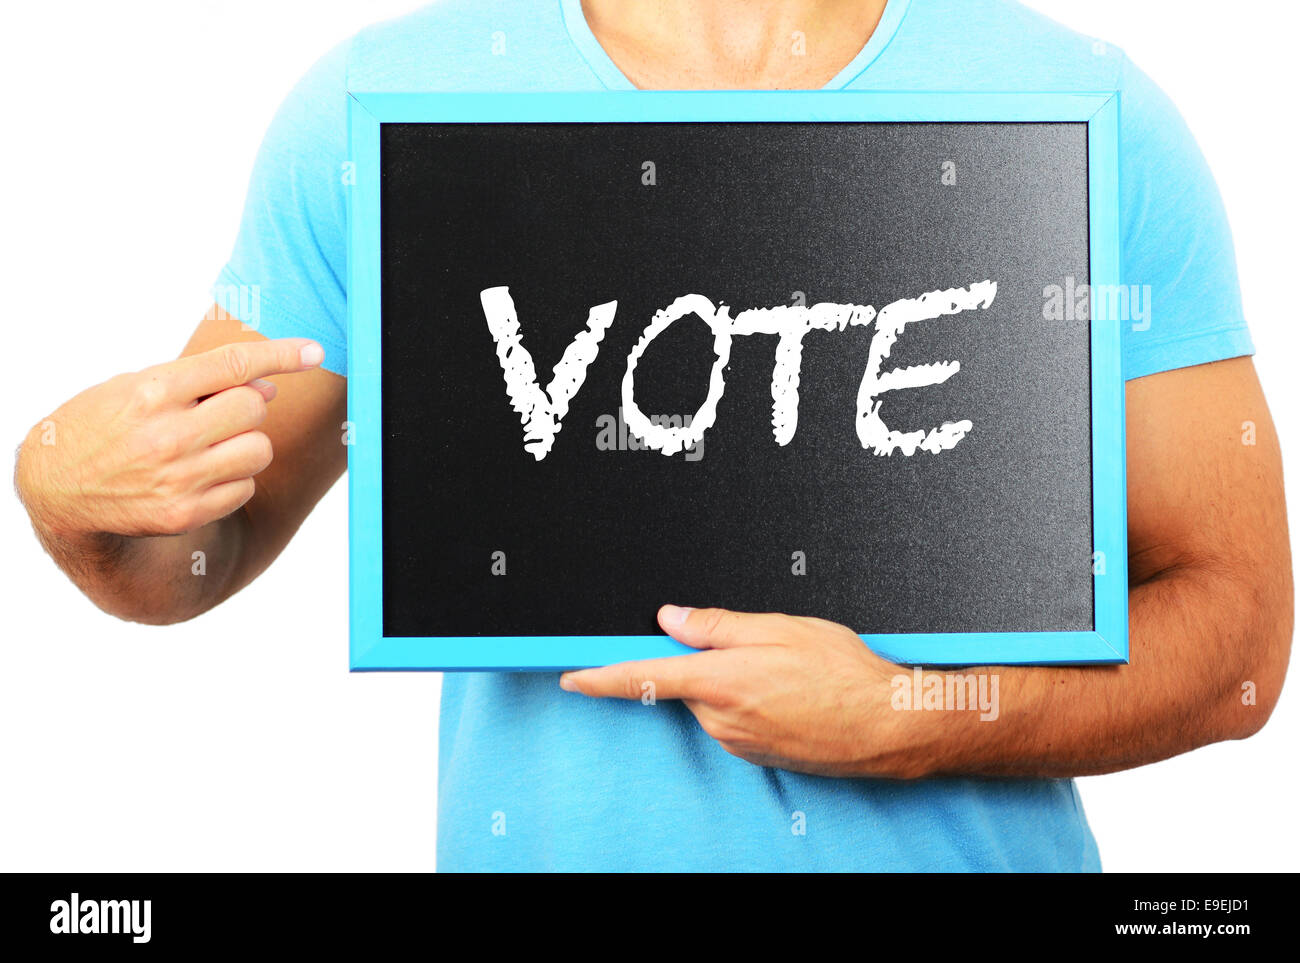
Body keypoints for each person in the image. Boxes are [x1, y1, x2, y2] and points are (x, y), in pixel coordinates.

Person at [14, 0, 1292, 871]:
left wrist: (912, 714)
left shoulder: (1073, 105)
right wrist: (66, 495)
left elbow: (1236, 636)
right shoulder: (387, 107)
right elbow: (191, 562)